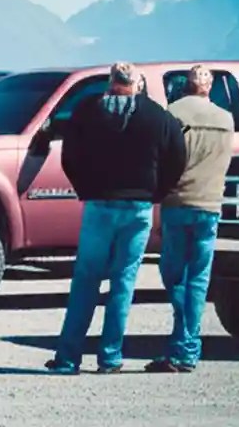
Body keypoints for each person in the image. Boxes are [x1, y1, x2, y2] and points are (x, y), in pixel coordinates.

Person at [46, 62, 187, 375]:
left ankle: (68, 358)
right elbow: (178, 157)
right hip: (138, 207)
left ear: (110, 83)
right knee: (123, 282)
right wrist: (156, 192)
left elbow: (69, 156)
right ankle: (110, 358)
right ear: (136, 84)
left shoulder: (87, 111)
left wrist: (85, 187)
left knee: (86, 280)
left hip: (99, 204)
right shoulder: (158, 116)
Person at [146, 65, 234, 374]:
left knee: (173, 274)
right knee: (198, 278)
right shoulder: (226, 119)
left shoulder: (172, 114)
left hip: (178, 202)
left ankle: (183, 344)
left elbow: (161, 157)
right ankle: (187, 348)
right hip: (210, 204)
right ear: (208, 87)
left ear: (185, 85)